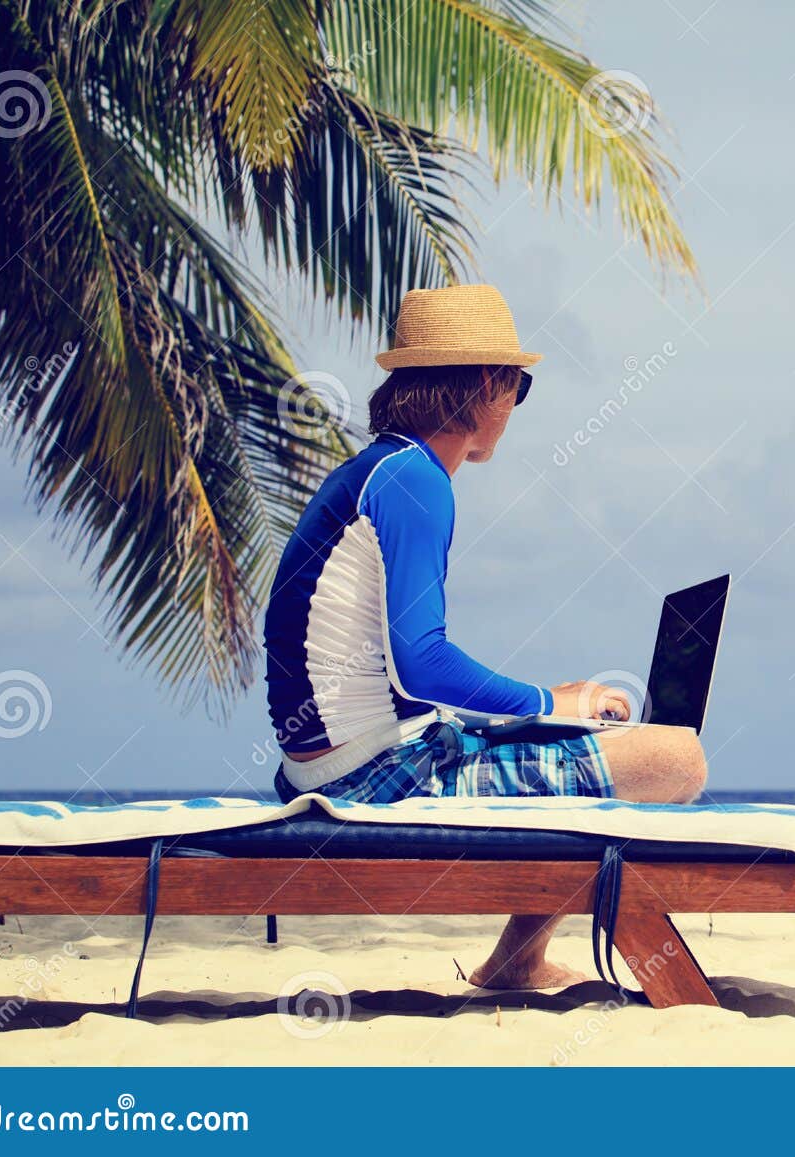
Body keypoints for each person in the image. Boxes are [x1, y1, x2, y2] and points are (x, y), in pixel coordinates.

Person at [261, 284, 707, 990]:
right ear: (486, 386)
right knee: (675, 758)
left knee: (593, 740)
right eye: (518, 388)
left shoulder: (378, 471)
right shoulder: (414, 480)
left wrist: (548, 709)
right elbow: (420, 663)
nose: (515, 406)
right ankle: (521, 962)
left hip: (352, 760)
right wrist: (549, 700)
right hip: (371, 779)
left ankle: (516, 962)